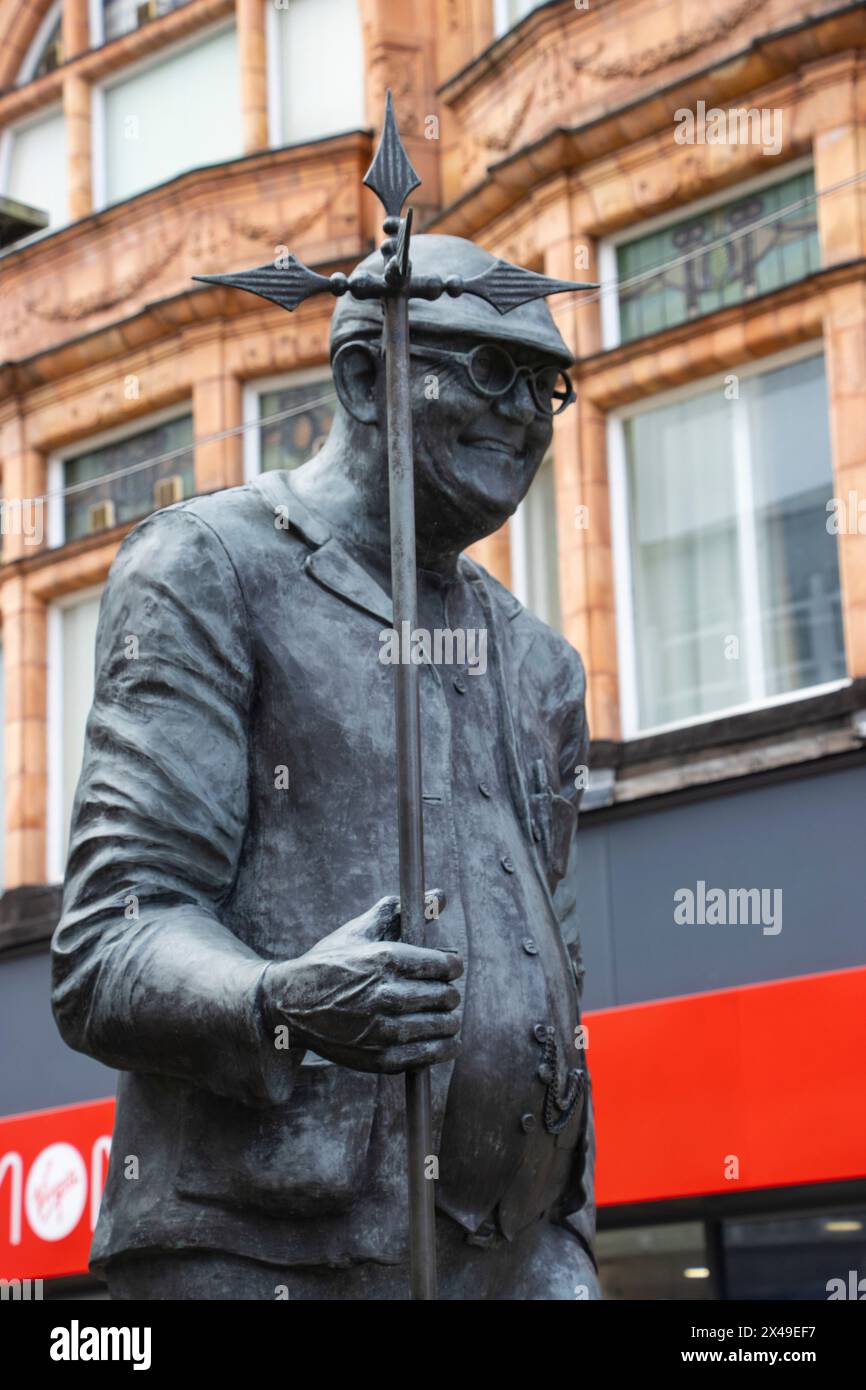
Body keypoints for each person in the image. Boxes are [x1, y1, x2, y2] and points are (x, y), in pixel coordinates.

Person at [51, 234, 599, 1300]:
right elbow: (110, 938)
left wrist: (563, 1232)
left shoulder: (539, 664)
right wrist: (280, 1000)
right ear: (361, 376)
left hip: (513, 1257)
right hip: (261, 1251)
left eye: (547, 386)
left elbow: (551, 983)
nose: (524, 414)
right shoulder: (207, 567)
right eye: (488, 371)